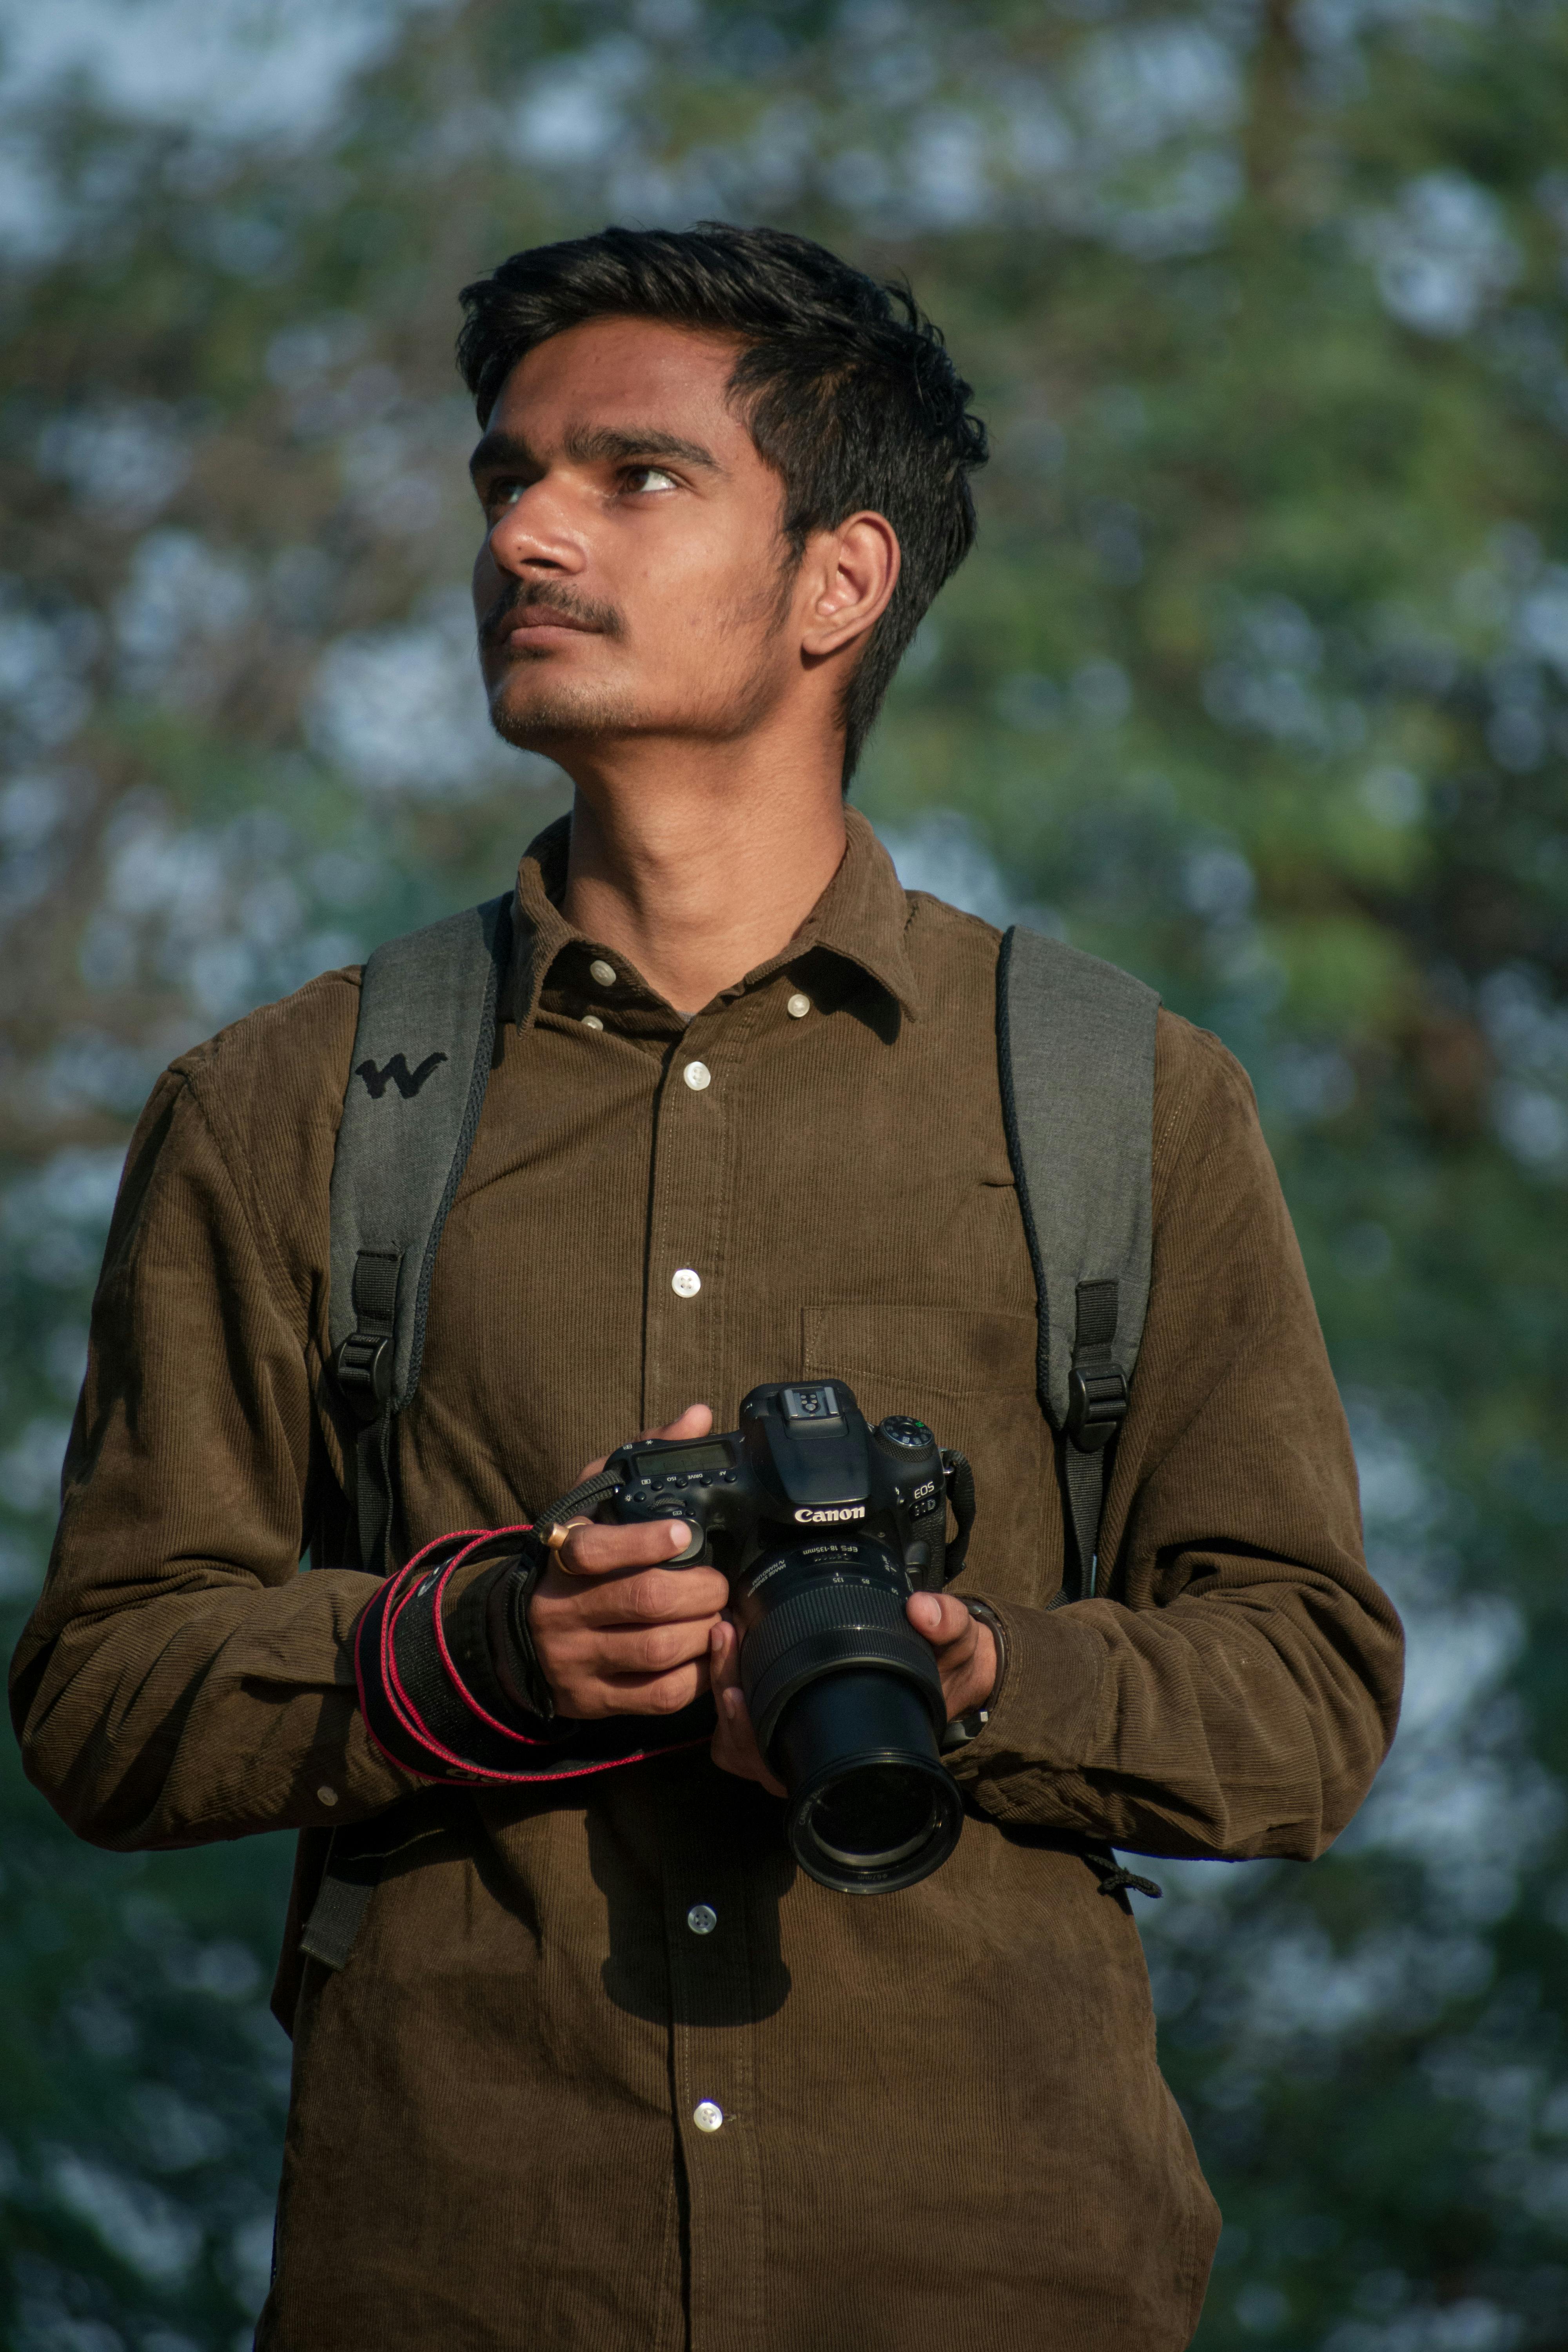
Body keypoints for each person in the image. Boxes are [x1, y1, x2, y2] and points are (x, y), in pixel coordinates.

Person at [10, 223, 1403, 2352]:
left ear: (842, 579)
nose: (528, 534)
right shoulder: (289, 1104)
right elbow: (104, 1691)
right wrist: (478, 1640)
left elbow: (1308, 1692)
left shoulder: (1121, 1096)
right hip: (458, 2279)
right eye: (506, 481)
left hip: (1003, 2284)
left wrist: (974, 1678)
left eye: (632, 478)